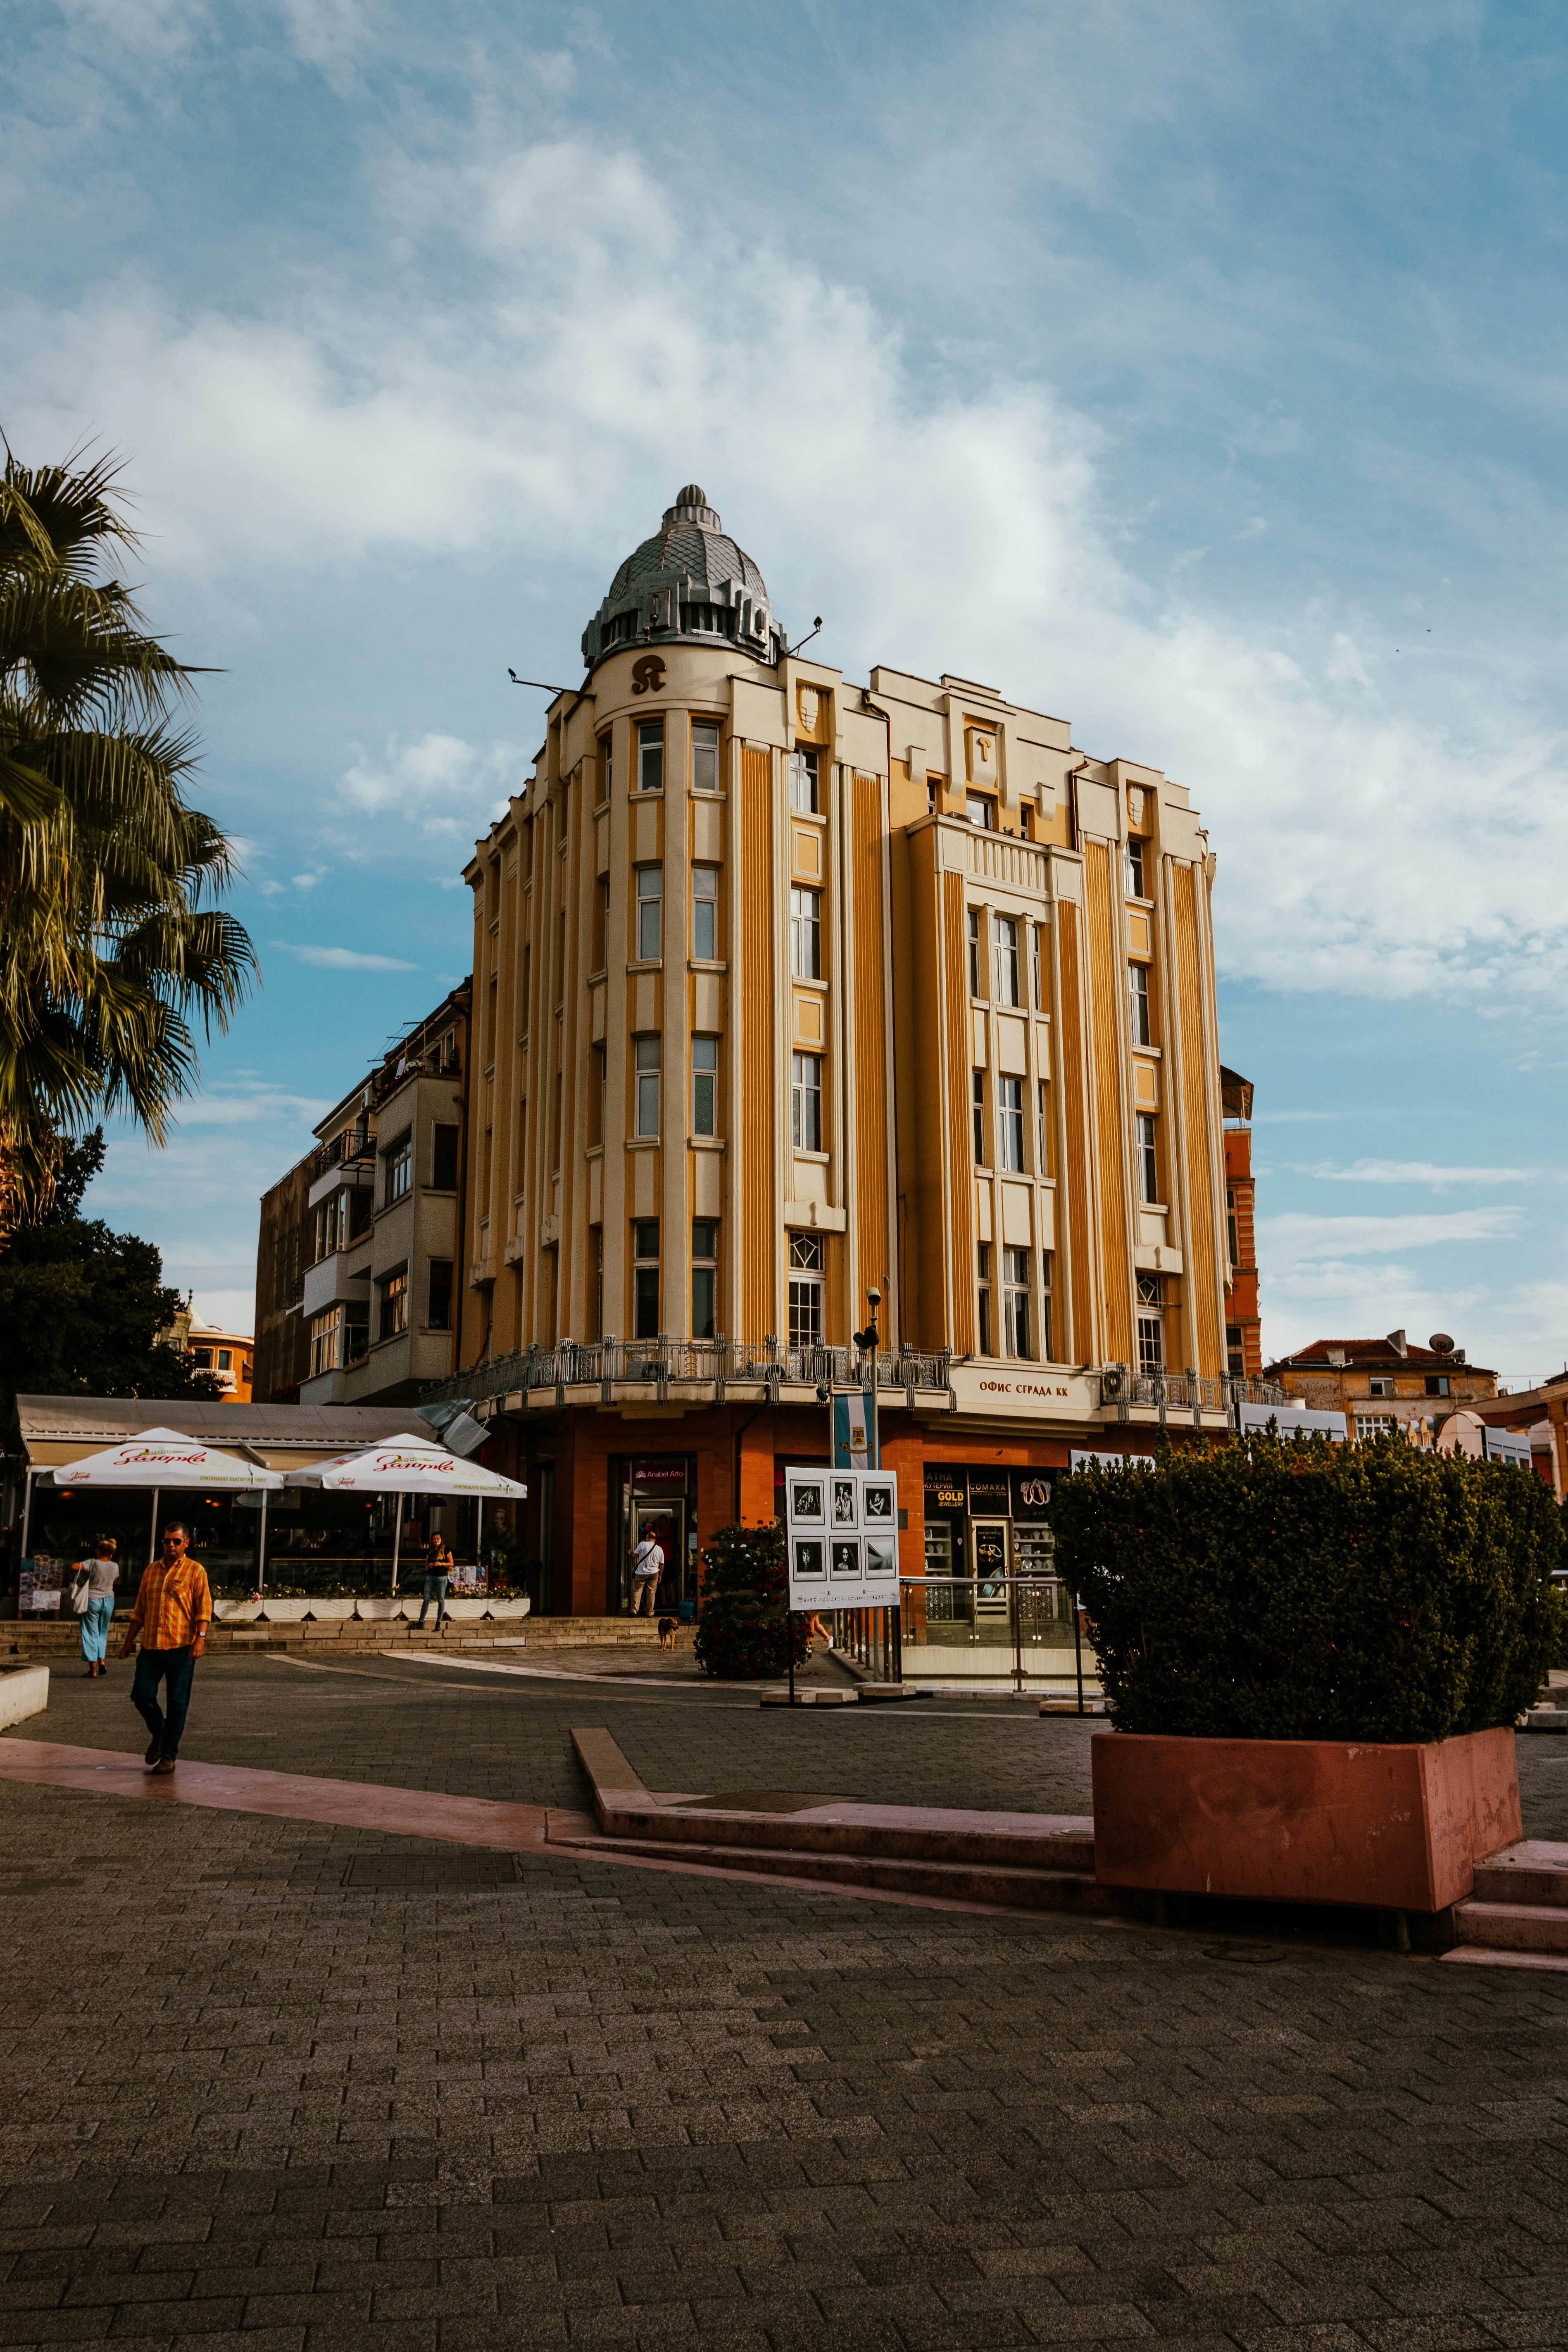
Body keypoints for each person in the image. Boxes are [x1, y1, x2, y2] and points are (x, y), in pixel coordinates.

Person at [119, 1521, 211, 1774]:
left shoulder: (196, 1571)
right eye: (167, 1541)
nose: (171, 1545)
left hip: (182, 1647)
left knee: (177, 1703)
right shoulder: (151, 1571)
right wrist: (128, 1642)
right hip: (151, 1647)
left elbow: (204, 1609)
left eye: (176, 1541)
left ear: (186, 1543)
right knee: (141, 1695)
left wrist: (201, 1638)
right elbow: (140, 1611)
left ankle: (169, 1756)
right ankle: (160, 1733)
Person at [71, 1536, 119, 1678]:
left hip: (93, 1600)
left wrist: (83, 1567)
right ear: (111, 1554)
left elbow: (74, 1567)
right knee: (103, 1632)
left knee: (91, 1633)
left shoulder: (93, 1563)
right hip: (109, 1600)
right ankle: (102, 1661)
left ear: (99, 1551)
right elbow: (114, 1582)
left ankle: (93, 1670)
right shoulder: (115, 1566)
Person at [417, 1532, 454, 1630]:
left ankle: (438, 1623)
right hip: (431, 1576)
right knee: (426, 1599)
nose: (436, 1541)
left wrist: (442, 1564)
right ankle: (421, 1622)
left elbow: (451, 1563)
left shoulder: (446, 1550)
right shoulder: (431, 1551)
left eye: (438, 1539)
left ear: (441, 1540)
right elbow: (426, 1564)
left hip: (441, 1577)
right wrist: (429, 1565)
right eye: (434, 1539)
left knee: (441, 1600)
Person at [628, 1526, 664, 1615]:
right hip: (654, 1573)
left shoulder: (643, 1544)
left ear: (648, 1537)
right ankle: (650, 1612)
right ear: (655, 1539)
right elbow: (662, 1564)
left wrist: (630, 1552)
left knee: (637, 1591)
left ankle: (634, 1611)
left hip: (641, 1572)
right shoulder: (660, 1549)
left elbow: (634, 1556)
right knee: (651, 1593)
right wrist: (660, 1575)